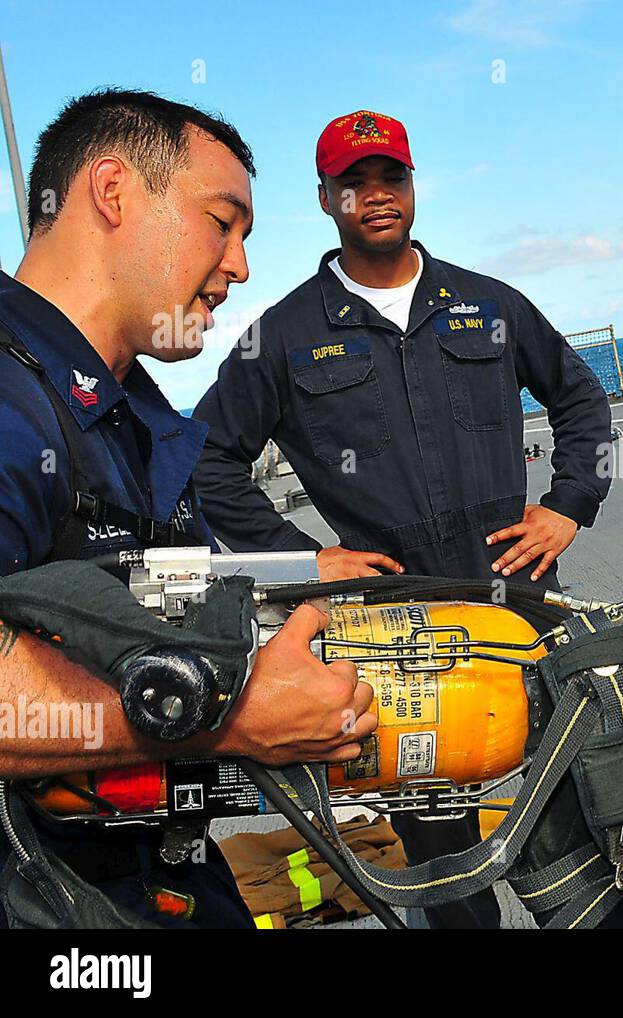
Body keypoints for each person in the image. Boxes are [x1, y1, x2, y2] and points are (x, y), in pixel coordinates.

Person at [191, 110, 617, 928]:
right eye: (354, 182)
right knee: (446, 865)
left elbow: (580, 398)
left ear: (413, 186)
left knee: (575, 823)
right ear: (325, 199)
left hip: (519, 604)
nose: (376, 195)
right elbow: (207, 461)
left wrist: (568, 505)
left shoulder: (489, 304)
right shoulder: (282, 337)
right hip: (400, 636)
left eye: (391, 177)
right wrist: (305, 561)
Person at [0, 89, 374, 928]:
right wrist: (221, 717)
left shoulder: (133, 424)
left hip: (158, 884)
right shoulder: (11, 404)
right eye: (222, 221)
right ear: (113, 193)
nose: (239, 265)